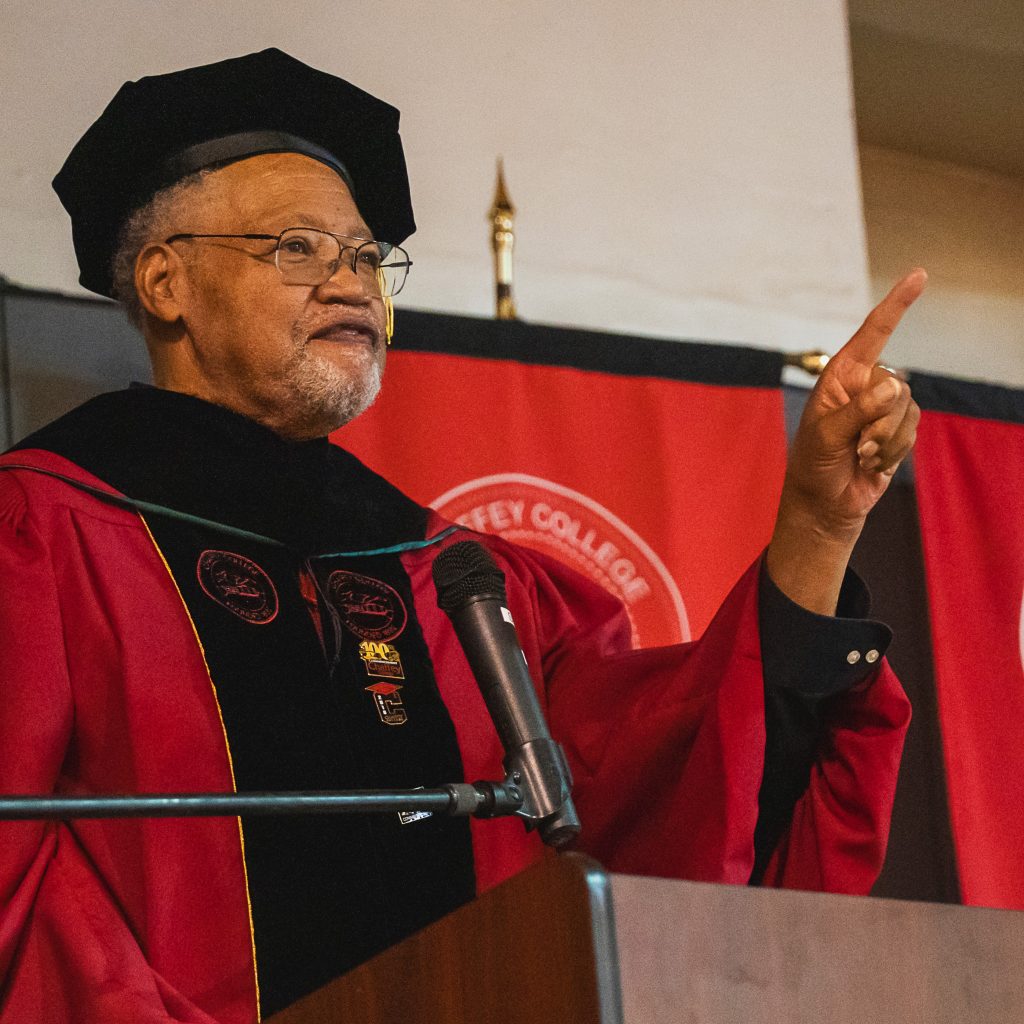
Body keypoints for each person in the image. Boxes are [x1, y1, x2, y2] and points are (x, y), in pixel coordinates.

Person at [0, 49, 920, 1023]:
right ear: (164, 280)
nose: (351, 282)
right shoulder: (45, 532)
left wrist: (818, 525)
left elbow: (663, 784)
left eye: (363, 256)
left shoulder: (455, 577)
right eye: (299, 248)